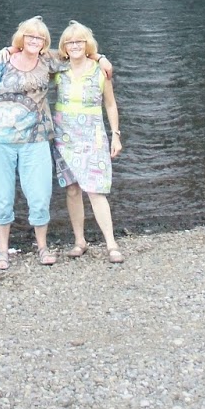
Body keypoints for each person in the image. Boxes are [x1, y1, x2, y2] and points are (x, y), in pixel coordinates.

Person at [0, 17, 62, 271]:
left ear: (44, 42)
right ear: (21, 38)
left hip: (36, 138)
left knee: (40, 194)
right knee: (3, 196)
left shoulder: (48, 60)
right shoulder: (2, 62)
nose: (34, 40)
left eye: (39, 37)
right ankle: (3, 251)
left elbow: (78, 52)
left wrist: (101, 58)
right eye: (29, 36)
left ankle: (42, 247)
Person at [53, 21, 124, 264]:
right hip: (64, 137)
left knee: (95, 189)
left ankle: (111, 243)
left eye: (79, 41)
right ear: (64, 46)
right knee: (72, 188)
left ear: (87, 44)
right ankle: (79, 241)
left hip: (92, 136)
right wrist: (9, 50)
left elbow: (111, 104)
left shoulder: (99, 71)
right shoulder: (58, 68)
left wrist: (116, 134)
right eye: (70, 42)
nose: (74, 46)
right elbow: (35, 51)